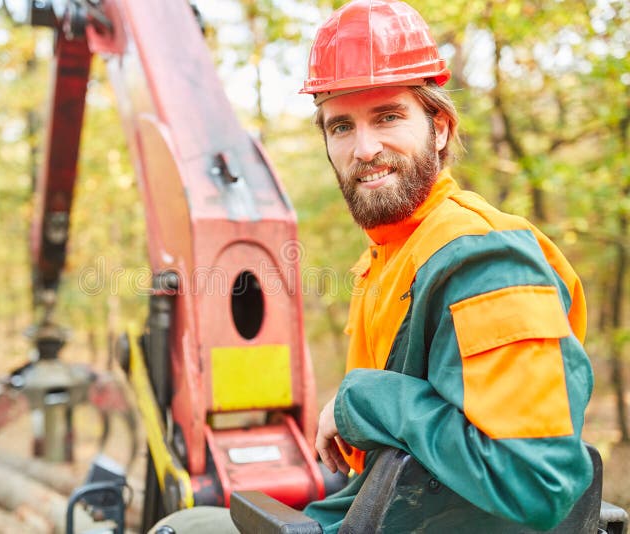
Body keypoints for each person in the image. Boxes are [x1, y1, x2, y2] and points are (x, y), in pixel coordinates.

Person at [152, 0, 593, 532]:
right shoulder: (392, 257)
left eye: (387, 117)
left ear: (441, 128)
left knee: (182, 525)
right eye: (341, 127)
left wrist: (358, 400)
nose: (364, 148)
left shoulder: (481, 261)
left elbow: (535, 484)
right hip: (380, 512)